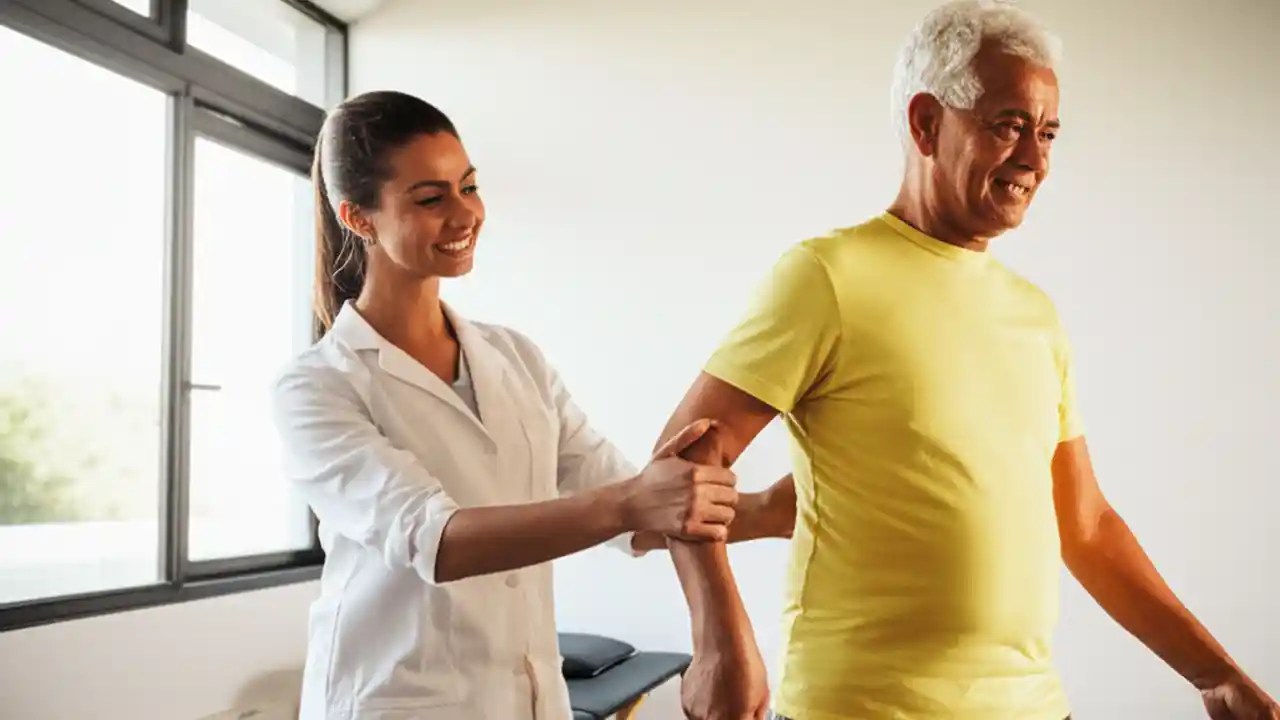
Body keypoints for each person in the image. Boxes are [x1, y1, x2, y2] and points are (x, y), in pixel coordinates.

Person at [651, 2, 1280, 720]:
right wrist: (719, 643)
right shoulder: (827, 277)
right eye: (1008, 125)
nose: (1036, 159)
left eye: (1047, 133)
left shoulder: (1035, 315)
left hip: (1034, 708)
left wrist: (1213, 672)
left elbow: (1087, 525)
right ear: (926, 123)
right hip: (860, 707)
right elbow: (680, 465)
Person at [269, 90, 794, 720]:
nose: (465, 215)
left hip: (529, 700)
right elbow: (438, 540)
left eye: (469, 186)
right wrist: (631, 501)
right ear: (359, 218)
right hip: (397, 702)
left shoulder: (514, 358)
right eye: (432, 199)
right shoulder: (318, 386)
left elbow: (634, 507)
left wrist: (767, 512)